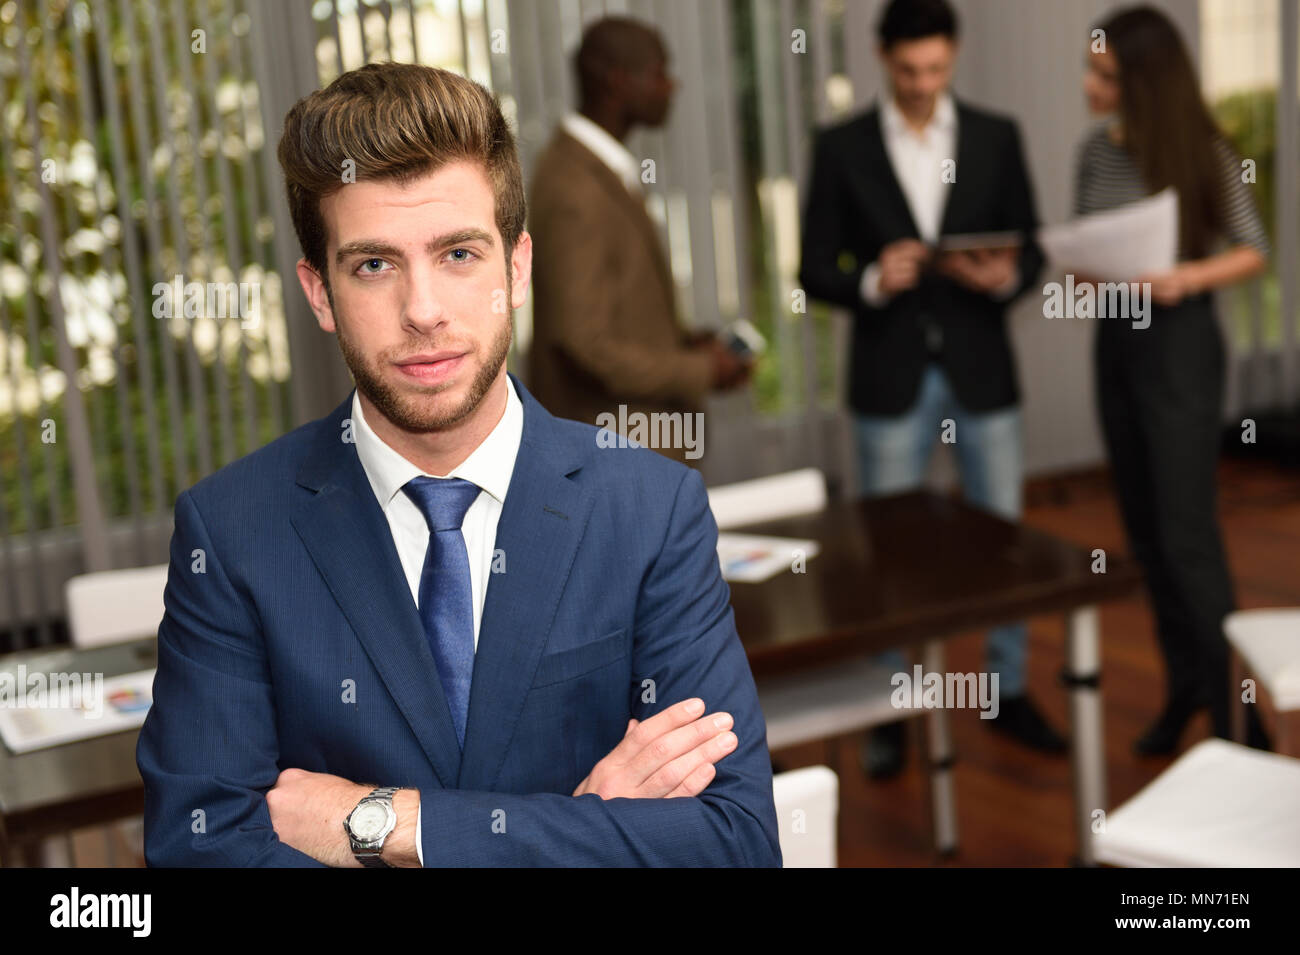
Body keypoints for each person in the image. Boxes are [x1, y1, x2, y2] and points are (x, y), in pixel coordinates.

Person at [135, 62, 780, 867]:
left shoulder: (651, 508)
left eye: (459, 254)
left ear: (517, 267)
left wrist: (391, 825)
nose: (424, 310)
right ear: (320, 293)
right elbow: (202, 852)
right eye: (374, 264)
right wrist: (581, 827)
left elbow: (734, 844)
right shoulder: (231, 533)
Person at [798, 0, 1060, 779]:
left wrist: (1008, 276)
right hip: (889, 373)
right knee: (889, 547)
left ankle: (1007, 688)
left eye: (937, 69)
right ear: (882, 57)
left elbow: (1033, 249)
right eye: (909, 71)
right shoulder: (840, 145)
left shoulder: (995, 135)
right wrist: (872, 278)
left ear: (955, 57)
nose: (922, 84)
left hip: (982, 368)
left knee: (1004, 538)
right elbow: (813, 268)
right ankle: (890, 707)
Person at [1075, 6, 1270, 755]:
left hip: (1182, 347)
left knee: (1188, 535)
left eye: (1104, 74)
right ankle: (1185, 684)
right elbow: (1083, 251)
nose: (1089, 85)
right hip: (1116, 345)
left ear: (1143, 83)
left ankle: (1237, 716)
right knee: (1145, 532)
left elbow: (1253, 250)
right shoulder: (1096, 152)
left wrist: (1184, 277)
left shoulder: (1203, 151)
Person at [527, 16, 749, 464]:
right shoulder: (575, 186)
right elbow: (583, 345)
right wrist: (704, 370)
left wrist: (685, 342)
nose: (672, 85)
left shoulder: (597, 168)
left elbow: (615, 309)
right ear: (619, 81)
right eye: (659, 72)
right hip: (612, 454)